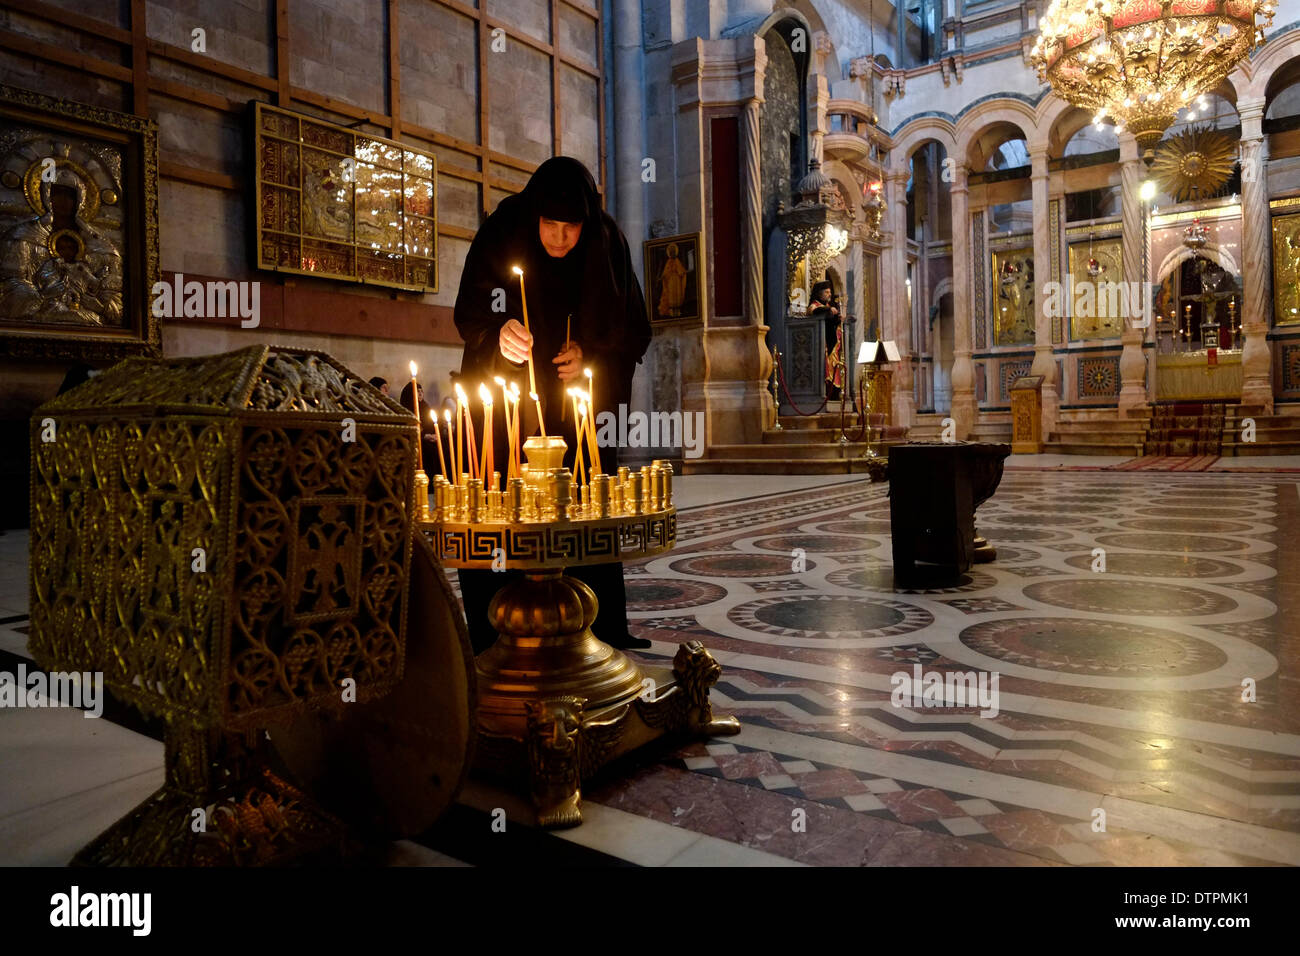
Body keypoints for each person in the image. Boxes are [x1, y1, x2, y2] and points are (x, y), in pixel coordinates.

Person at [454, 156, 652, 654]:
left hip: (576, 405)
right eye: (550, 225)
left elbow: (633, 328)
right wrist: (499, 334)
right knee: (503, 500)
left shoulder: (606, 242)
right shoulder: (503, 231)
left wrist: (591, 353)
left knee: (583, 501)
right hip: (509, 406)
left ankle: (596, 631)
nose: (561, 238)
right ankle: (495, 630)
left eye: (571, 228)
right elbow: (470, 310)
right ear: (533, 215)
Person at [810, 278, 842, 400]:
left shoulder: (828, 306)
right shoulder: (815, 304)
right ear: (819, 293)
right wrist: (828, 310)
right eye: (826, 292)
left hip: (832, 345)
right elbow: (812, 311)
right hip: (822, 344)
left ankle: (834, 394)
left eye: (830, 292)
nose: (829, 294)